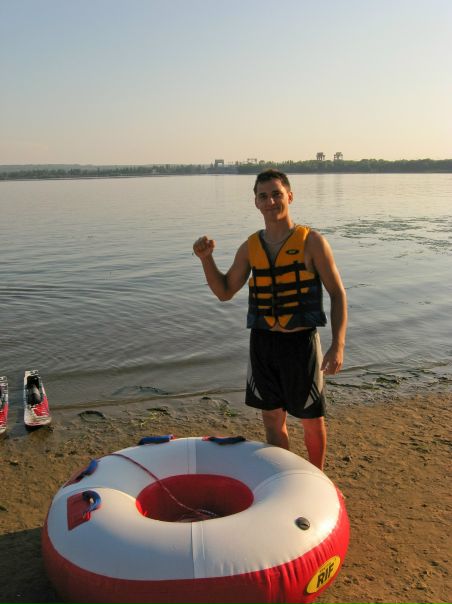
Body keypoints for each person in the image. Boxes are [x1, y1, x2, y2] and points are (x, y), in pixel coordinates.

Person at [193, 169, 347, 470]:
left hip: (301, 344)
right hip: (263, 343)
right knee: (272, 419)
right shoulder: (251, 247)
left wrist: (337, 345)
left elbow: (337, 293)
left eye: (277, 194)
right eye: (263, 196)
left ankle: (317, 477)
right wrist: (206, 259)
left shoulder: (312, 242)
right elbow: (224, 291)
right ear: (256, 203)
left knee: (311, 419)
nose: (271, 201)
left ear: (290, 196)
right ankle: (285, 476)